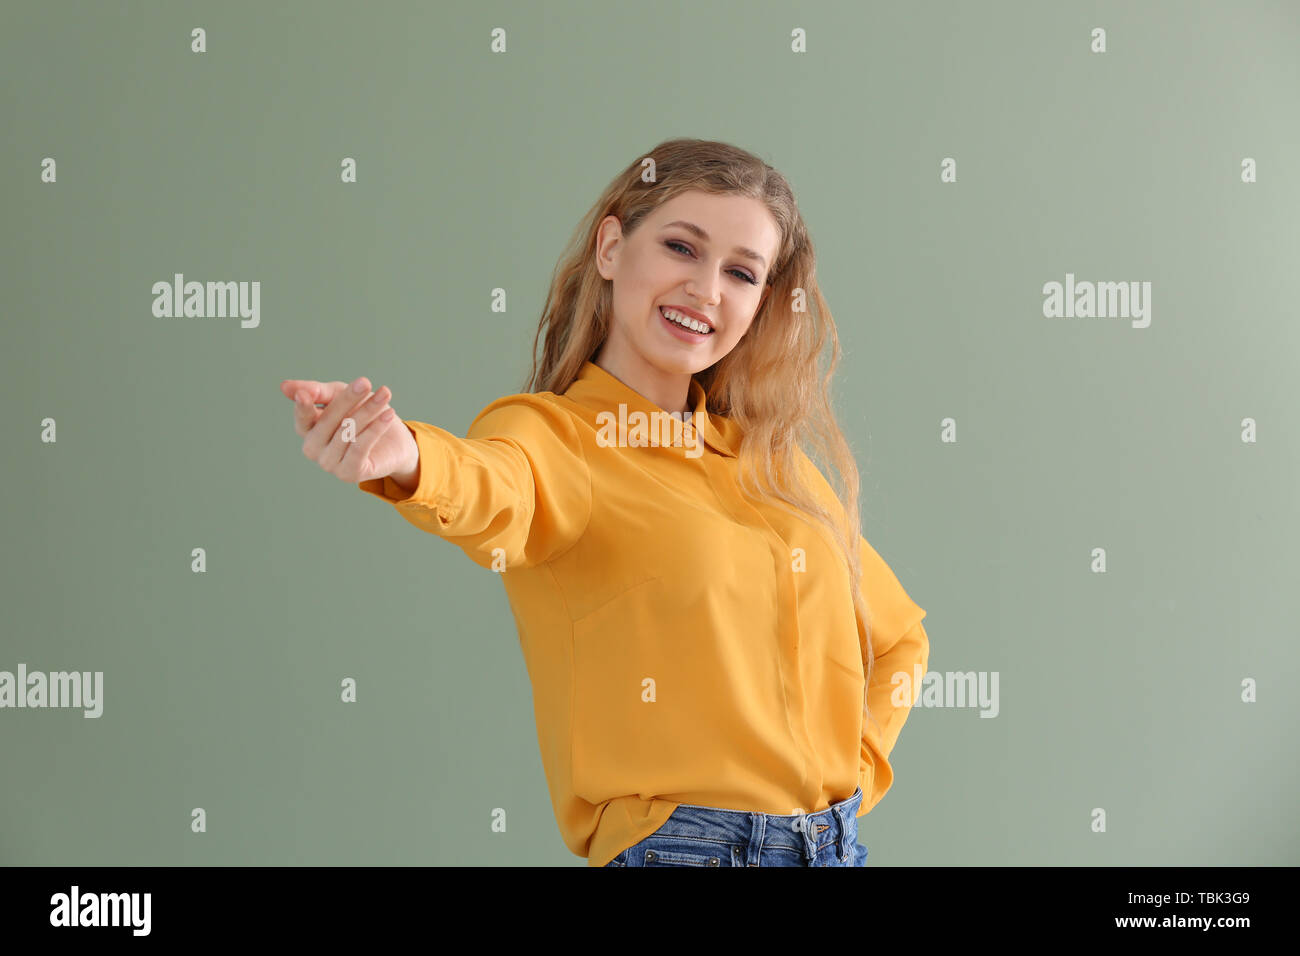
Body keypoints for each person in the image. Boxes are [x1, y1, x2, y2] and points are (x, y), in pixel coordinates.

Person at [280, 137, 930, 867]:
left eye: (742, 273)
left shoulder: (773, 467)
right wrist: (407, 458)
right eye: (682, 247)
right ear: (612, 247)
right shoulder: (554, 439)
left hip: (832, 849)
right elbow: (492, 486)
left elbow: (900, 638)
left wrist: (856, 769)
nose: (707, 290)